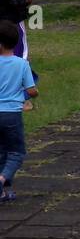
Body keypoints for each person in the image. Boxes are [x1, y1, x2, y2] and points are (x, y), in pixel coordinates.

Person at [0, 19, 38, 202]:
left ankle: (4, 191)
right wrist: (33, 93)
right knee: (16, 152)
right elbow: (31, 90)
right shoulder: (22, 65)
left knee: (1, 152)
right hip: (12, 115)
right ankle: (1, 179)